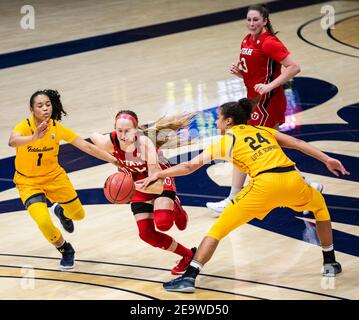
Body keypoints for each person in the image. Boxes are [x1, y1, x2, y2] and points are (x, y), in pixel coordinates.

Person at [137, 98, 349, 293]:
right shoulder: (264, 131)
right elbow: (299, 144)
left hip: (263, 186)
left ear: (228, 121)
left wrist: (160, 173)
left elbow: (189, 166)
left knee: (218, 230)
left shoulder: (225, 141)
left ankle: (189, 277)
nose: (216, 123)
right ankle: (329, 261)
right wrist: (327, 159)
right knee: (320, 207)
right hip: (293, 179)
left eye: (218, 119)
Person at [206, 4, 305, 216]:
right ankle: (307, 187)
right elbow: (257, 74)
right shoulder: (247, 39)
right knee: (271, 148)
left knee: (246, 145)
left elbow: (294, 67)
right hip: (255, 100)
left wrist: (270, 86)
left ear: (265, 21)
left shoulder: (269, 42)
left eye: (256, 20)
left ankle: (232, 198)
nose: (251, 23)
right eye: (249, 19)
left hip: (268, 102)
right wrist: (240, 75)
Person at [8, 89, 120, 270]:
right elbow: (13, 141)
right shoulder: (23, 127)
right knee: (43, 221)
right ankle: (65, 249)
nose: (45, 108)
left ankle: (61, 212)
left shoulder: (57, 129)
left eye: (48, 104)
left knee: (78, 215)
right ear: (31, 109)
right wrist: (34, 137)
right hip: (28, 182)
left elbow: (88, 147)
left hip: (54, 178)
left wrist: (115, 161)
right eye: (40, 105)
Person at [90, 110, 197, 275]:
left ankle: (175, 205)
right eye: (119, 131)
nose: (123, 135)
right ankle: (187, 255)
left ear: (136, 129)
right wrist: (113, 160)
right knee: (146, 234)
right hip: (135, 180)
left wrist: (132, 186)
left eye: (127, 131)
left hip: (157, 177)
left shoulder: (145, 144)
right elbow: (93, 138)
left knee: (164, 223)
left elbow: (157, 186)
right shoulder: (109, 141)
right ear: (114, 129)